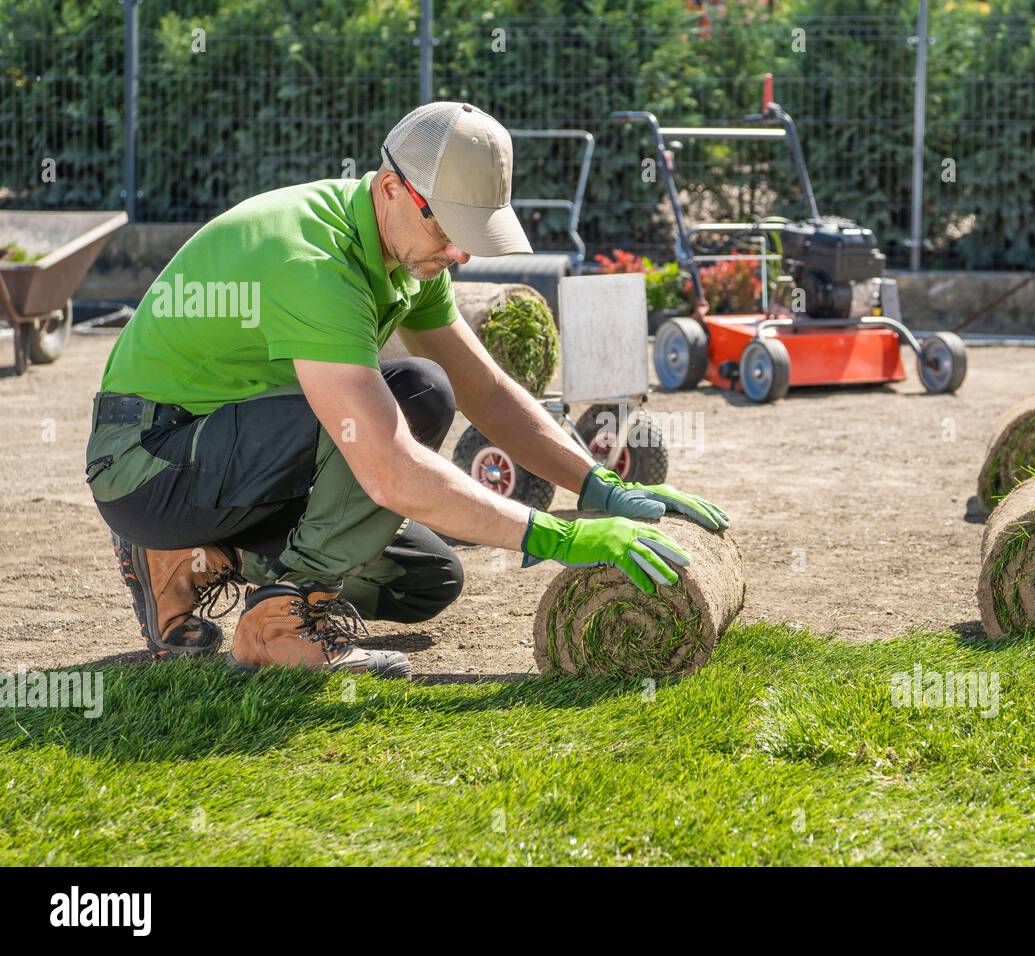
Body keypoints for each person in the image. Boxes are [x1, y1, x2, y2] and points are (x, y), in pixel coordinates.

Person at [84, 102, 728, 679]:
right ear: (393, 188)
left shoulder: (407, 250)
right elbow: (389, 468)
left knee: (426, 580)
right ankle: (276, 622)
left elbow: (490, 393)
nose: (461, 254)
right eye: (449, 230)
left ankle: (193, 559)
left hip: (228, 455)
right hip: (149, 463)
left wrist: (601, 488)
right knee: (416, 392)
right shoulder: (314, 262)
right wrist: (559, 538)